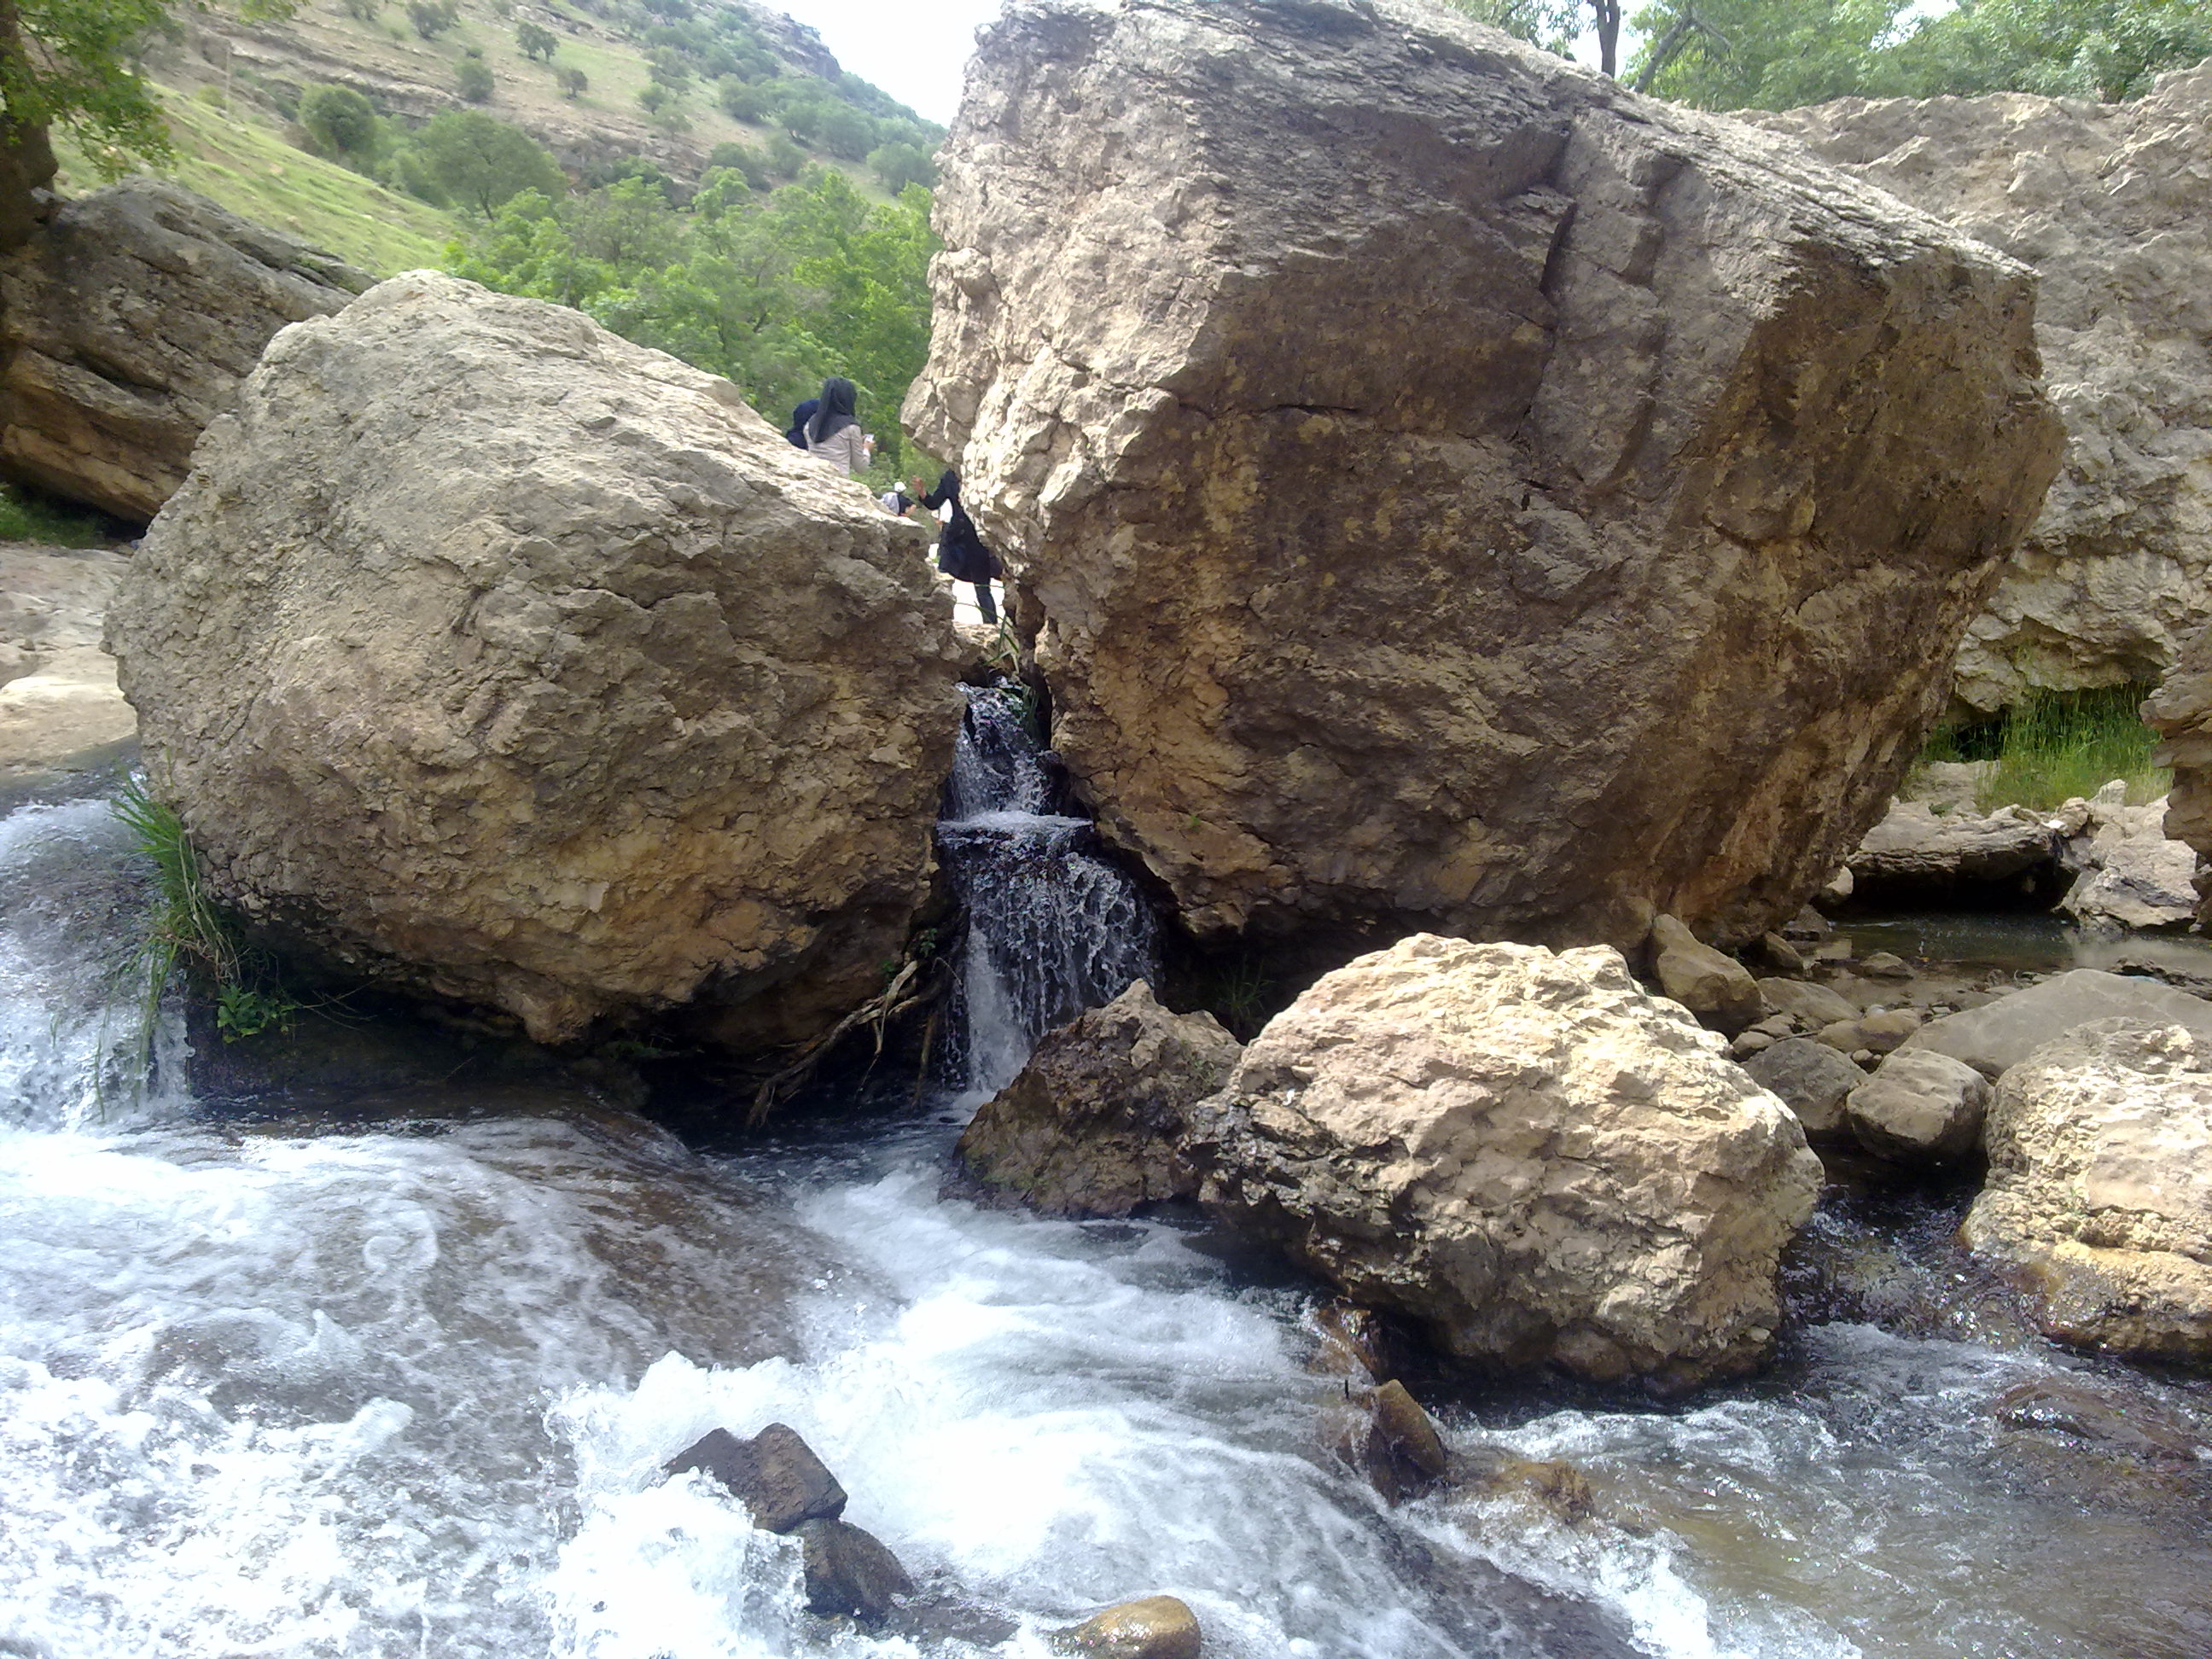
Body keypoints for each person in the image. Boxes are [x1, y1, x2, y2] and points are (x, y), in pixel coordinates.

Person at [914, 468, 1001, 624]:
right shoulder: (949, 476)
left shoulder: (980, 470)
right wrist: (922, 492)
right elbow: (934, 503)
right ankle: (943, 620)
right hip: (956, 537)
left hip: (978, 536)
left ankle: (991, 624)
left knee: (981, 585)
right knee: (944, 577)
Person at [805, 376, 868, 476]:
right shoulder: (851, 427)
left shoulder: (810, 424)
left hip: (812, 479)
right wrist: (866, 449)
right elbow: (861, 467)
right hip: (837, 482)